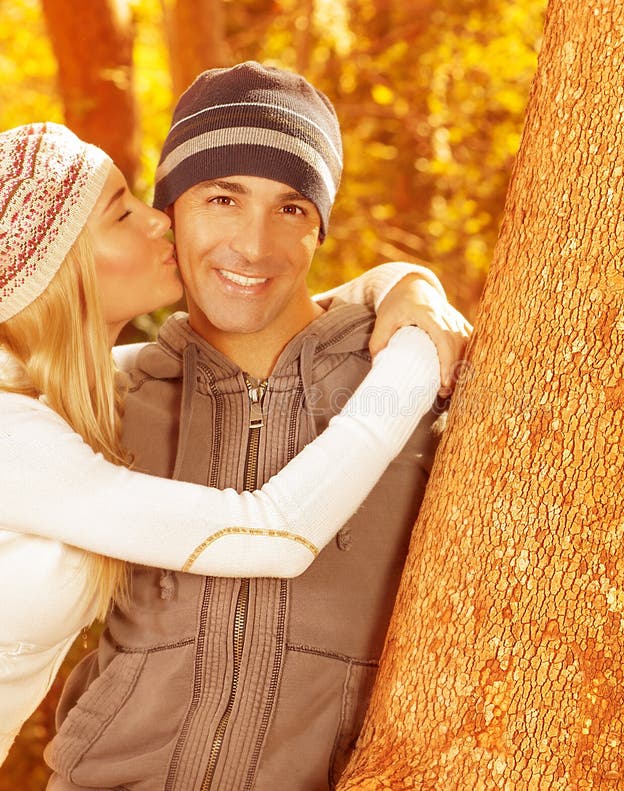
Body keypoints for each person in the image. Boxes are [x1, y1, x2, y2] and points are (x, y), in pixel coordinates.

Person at [46, 63, 624, 790]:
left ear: (321, 226)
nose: (254, 245)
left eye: (292, 208)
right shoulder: (111, 396)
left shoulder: (417, 383)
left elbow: (583, 551)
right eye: (222, 199)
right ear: (170, 211)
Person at [0, 121, 467, 765]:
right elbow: (273, 533)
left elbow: (273, 331)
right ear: (56, 269)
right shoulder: (11, 437)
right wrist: (414, 364)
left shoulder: (50, 399)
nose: (157, 222)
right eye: (121, 213)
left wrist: (397, 284)